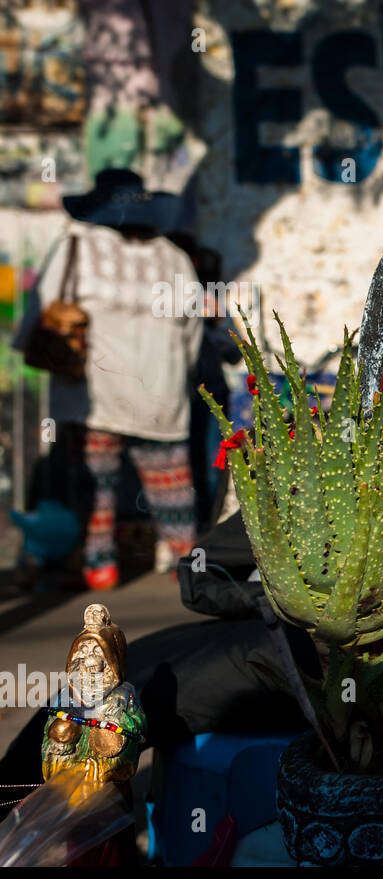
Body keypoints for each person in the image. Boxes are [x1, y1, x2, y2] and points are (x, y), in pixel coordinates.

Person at [13, 169, 203, 591]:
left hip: (94, 392)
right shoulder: (172, 257)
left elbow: (40, 309)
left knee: (95, 483)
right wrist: (180, 377)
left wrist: (29, 345)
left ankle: (100, 566)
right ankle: (185, 563)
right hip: (159, 388)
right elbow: (191, 330)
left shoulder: (76, 247)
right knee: (170, 483)